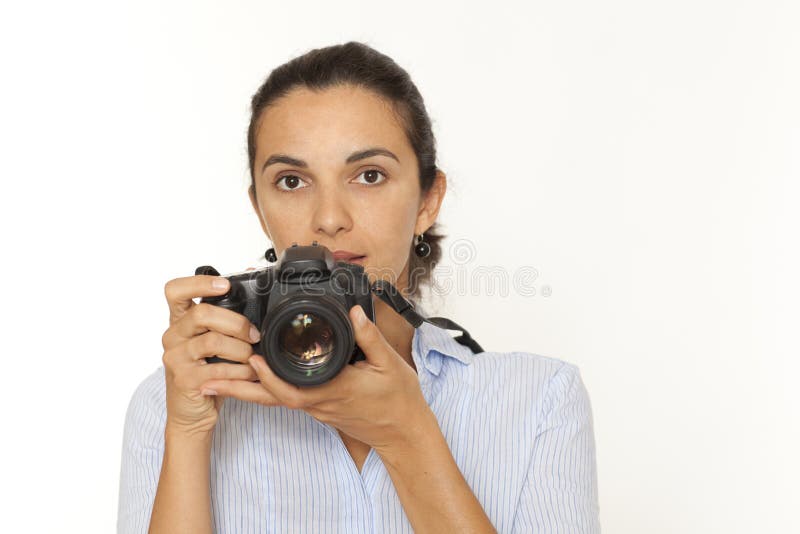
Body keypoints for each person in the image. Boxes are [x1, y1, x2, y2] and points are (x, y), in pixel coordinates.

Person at [117, 41, 601, 533]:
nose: (329, 219)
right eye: (290, 181)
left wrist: (406, 435)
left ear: (428, 201)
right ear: (259, 209)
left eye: (369, 175)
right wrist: (189, 430)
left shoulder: (539, 402)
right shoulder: (178, 401)